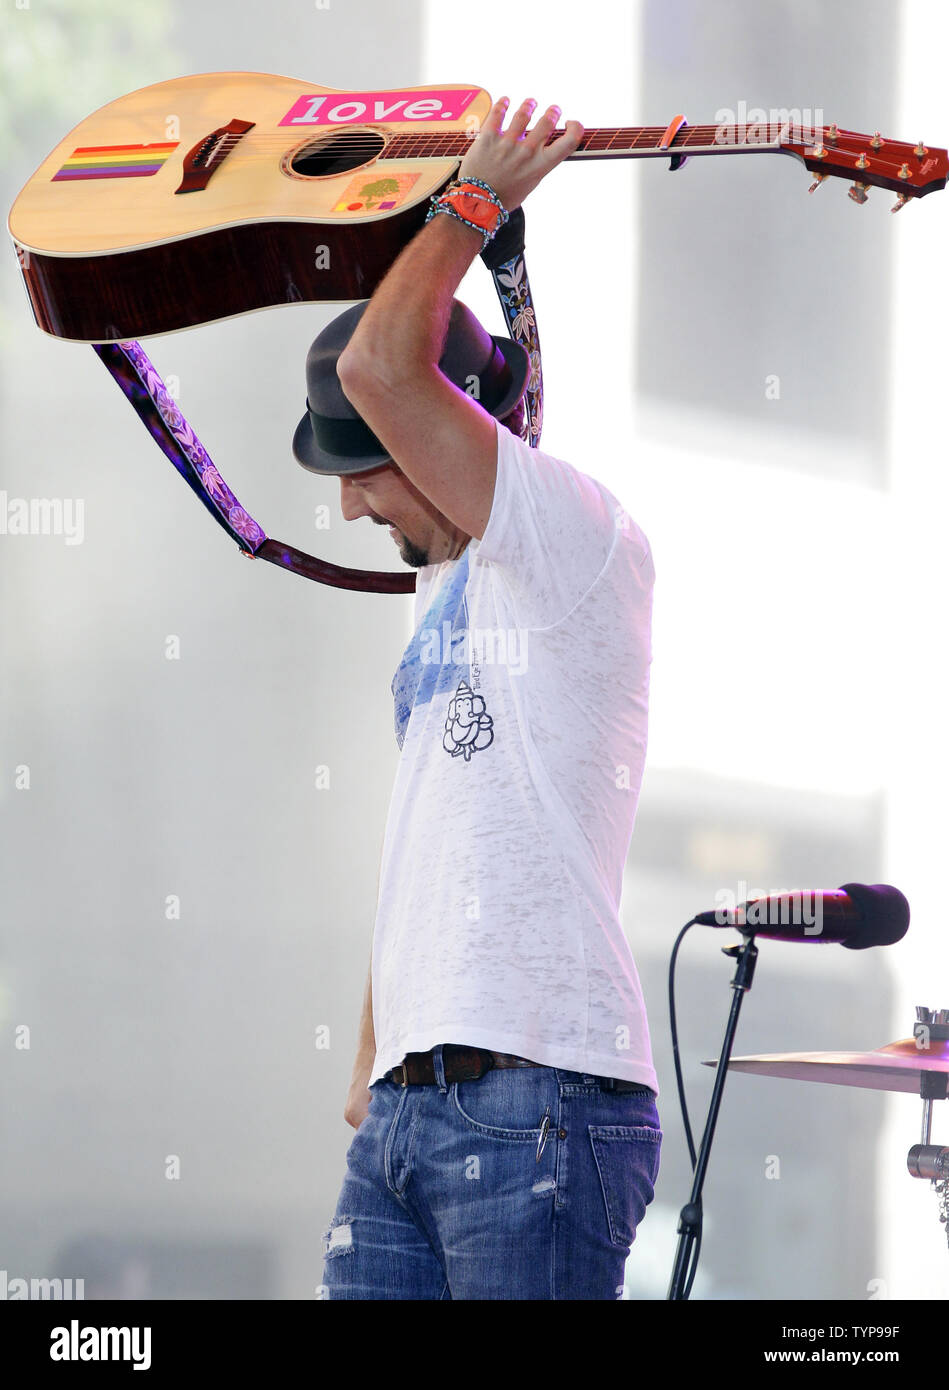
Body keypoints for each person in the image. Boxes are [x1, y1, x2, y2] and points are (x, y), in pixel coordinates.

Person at [291, 96, 661, 1300]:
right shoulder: (447, 586)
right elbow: (429, 846)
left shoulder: (572, 529)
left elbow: (376, 364)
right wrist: (372, 1056)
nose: (348, 506)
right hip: (413, 1105)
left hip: (542, 1095)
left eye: (365, 468)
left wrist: (473, 202)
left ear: (449, 425)